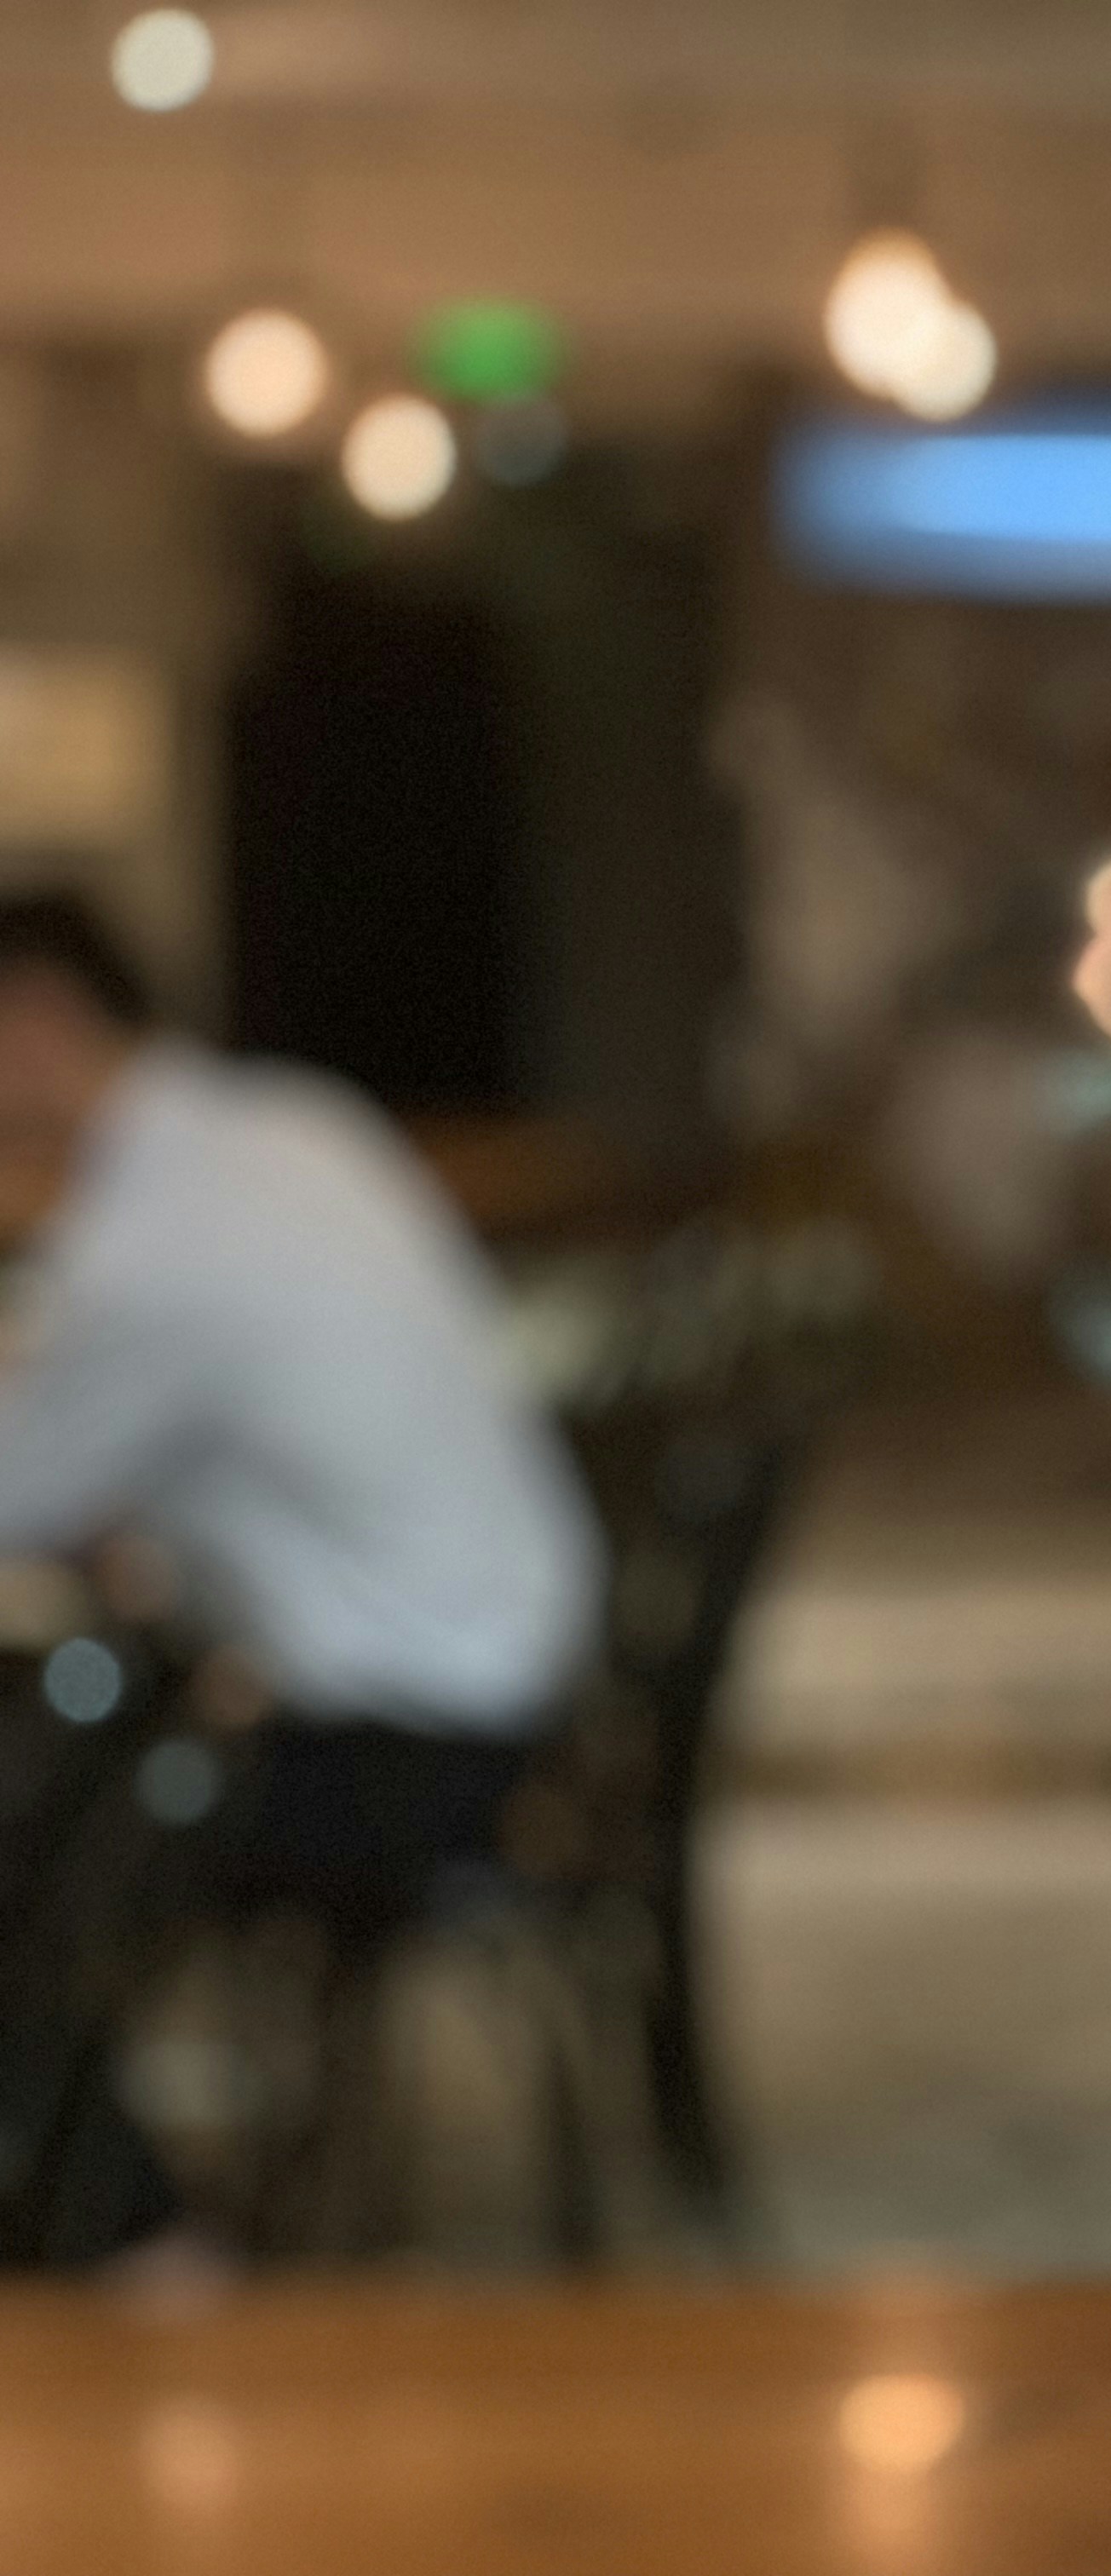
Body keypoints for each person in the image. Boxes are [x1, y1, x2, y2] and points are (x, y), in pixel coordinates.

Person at [0, 892, 600, 2258]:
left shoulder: (156, 1237)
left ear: (33, 1022)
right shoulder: (289, 1126)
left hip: (396, 1751)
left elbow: (17, 1492)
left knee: (37, 1827)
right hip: (515, 1691)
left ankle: (131, 2238)